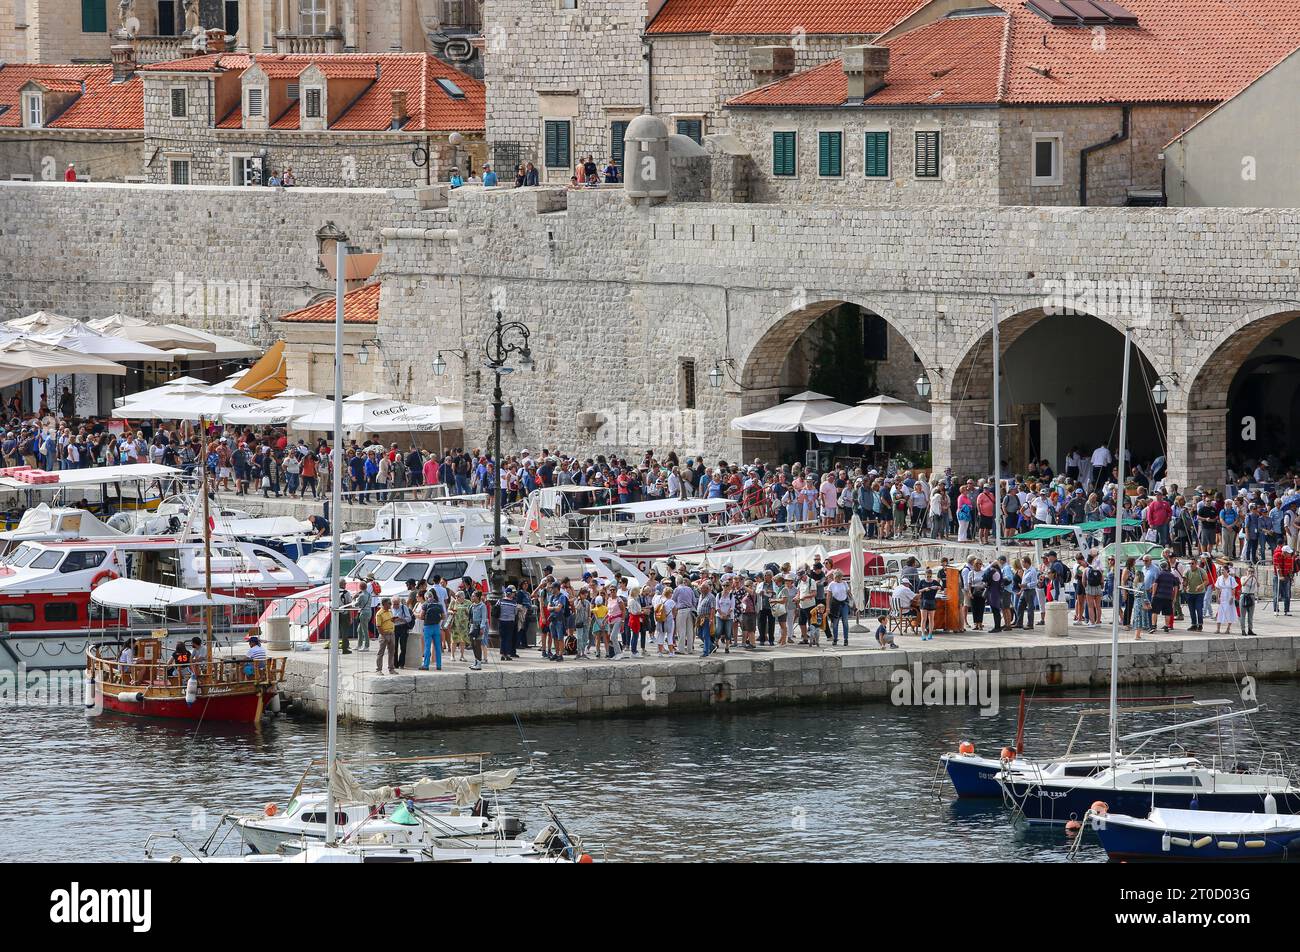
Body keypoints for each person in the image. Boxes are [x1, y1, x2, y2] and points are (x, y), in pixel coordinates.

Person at [420, 588, 444, 670]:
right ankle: (439, 665)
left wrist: (425, 619)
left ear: (426, 597)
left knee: (427, 646)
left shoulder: (425, 605)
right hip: (436, 627)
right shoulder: (439, 605)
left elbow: (421, 616)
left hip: (427, 627)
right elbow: (443, 616)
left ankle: (426, 665)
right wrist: (437, 620)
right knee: (437, 646)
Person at [373, 597, 397, 674]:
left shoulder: (390, 611)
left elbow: (391, 621)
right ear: (384, 604)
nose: (391, 605)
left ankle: (391, 669)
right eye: (389, 603)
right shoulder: (379, 614)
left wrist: (394, 620)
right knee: (381, 653)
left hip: (391, 633)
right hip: (384, 634)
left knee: (392, 652)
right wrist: (383, 635)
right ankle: (379, 670)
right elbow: (378, 626)